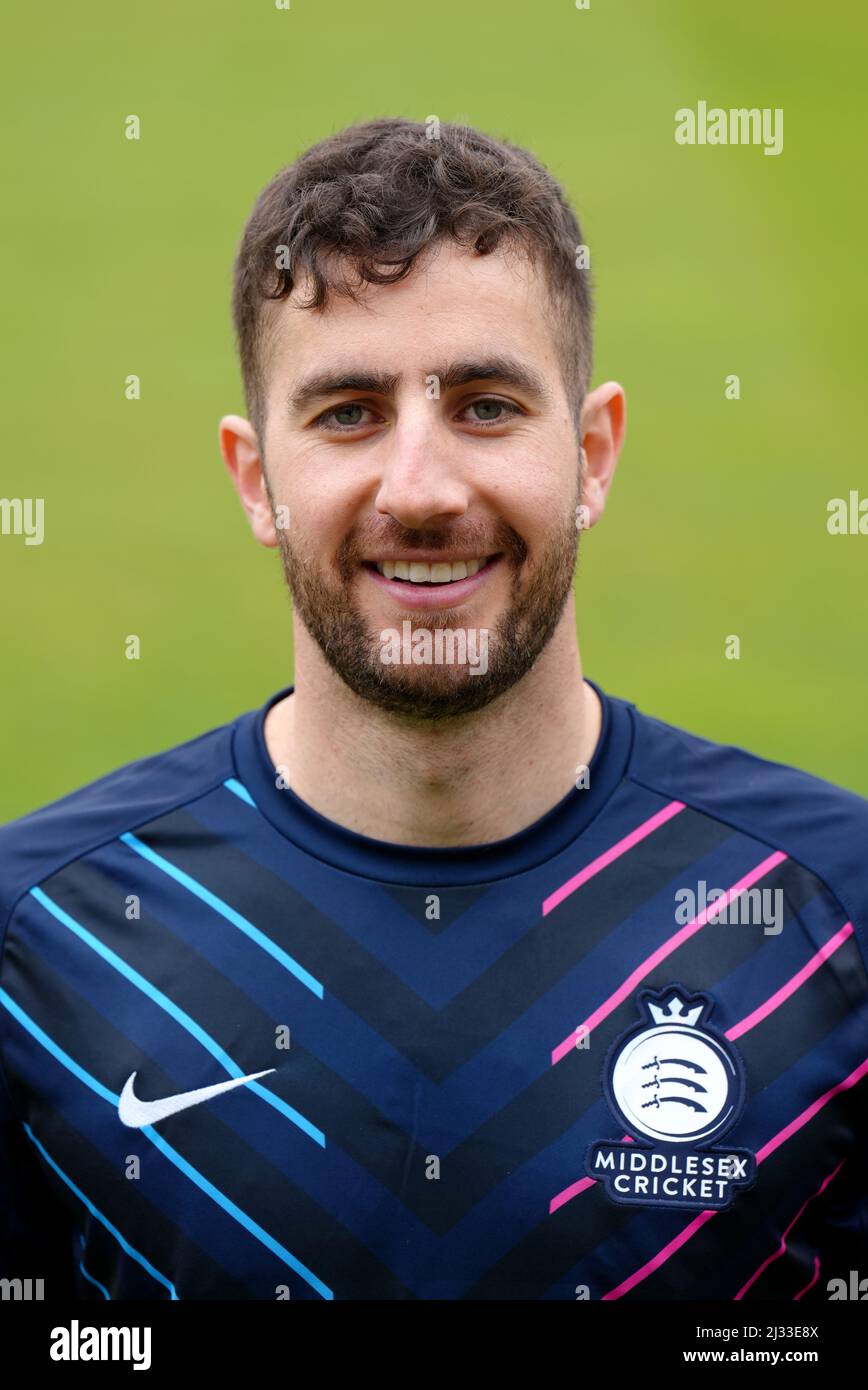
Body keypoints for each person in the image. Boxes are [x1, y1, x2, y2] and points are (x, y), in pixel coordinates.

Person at [1, 118, 866, 1302]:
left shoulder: (836, 912)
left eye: (486, 405)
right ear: (256, 479)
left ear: (593, 451)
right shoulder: (39, 940)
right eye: (348, 413)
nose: (418, 490)